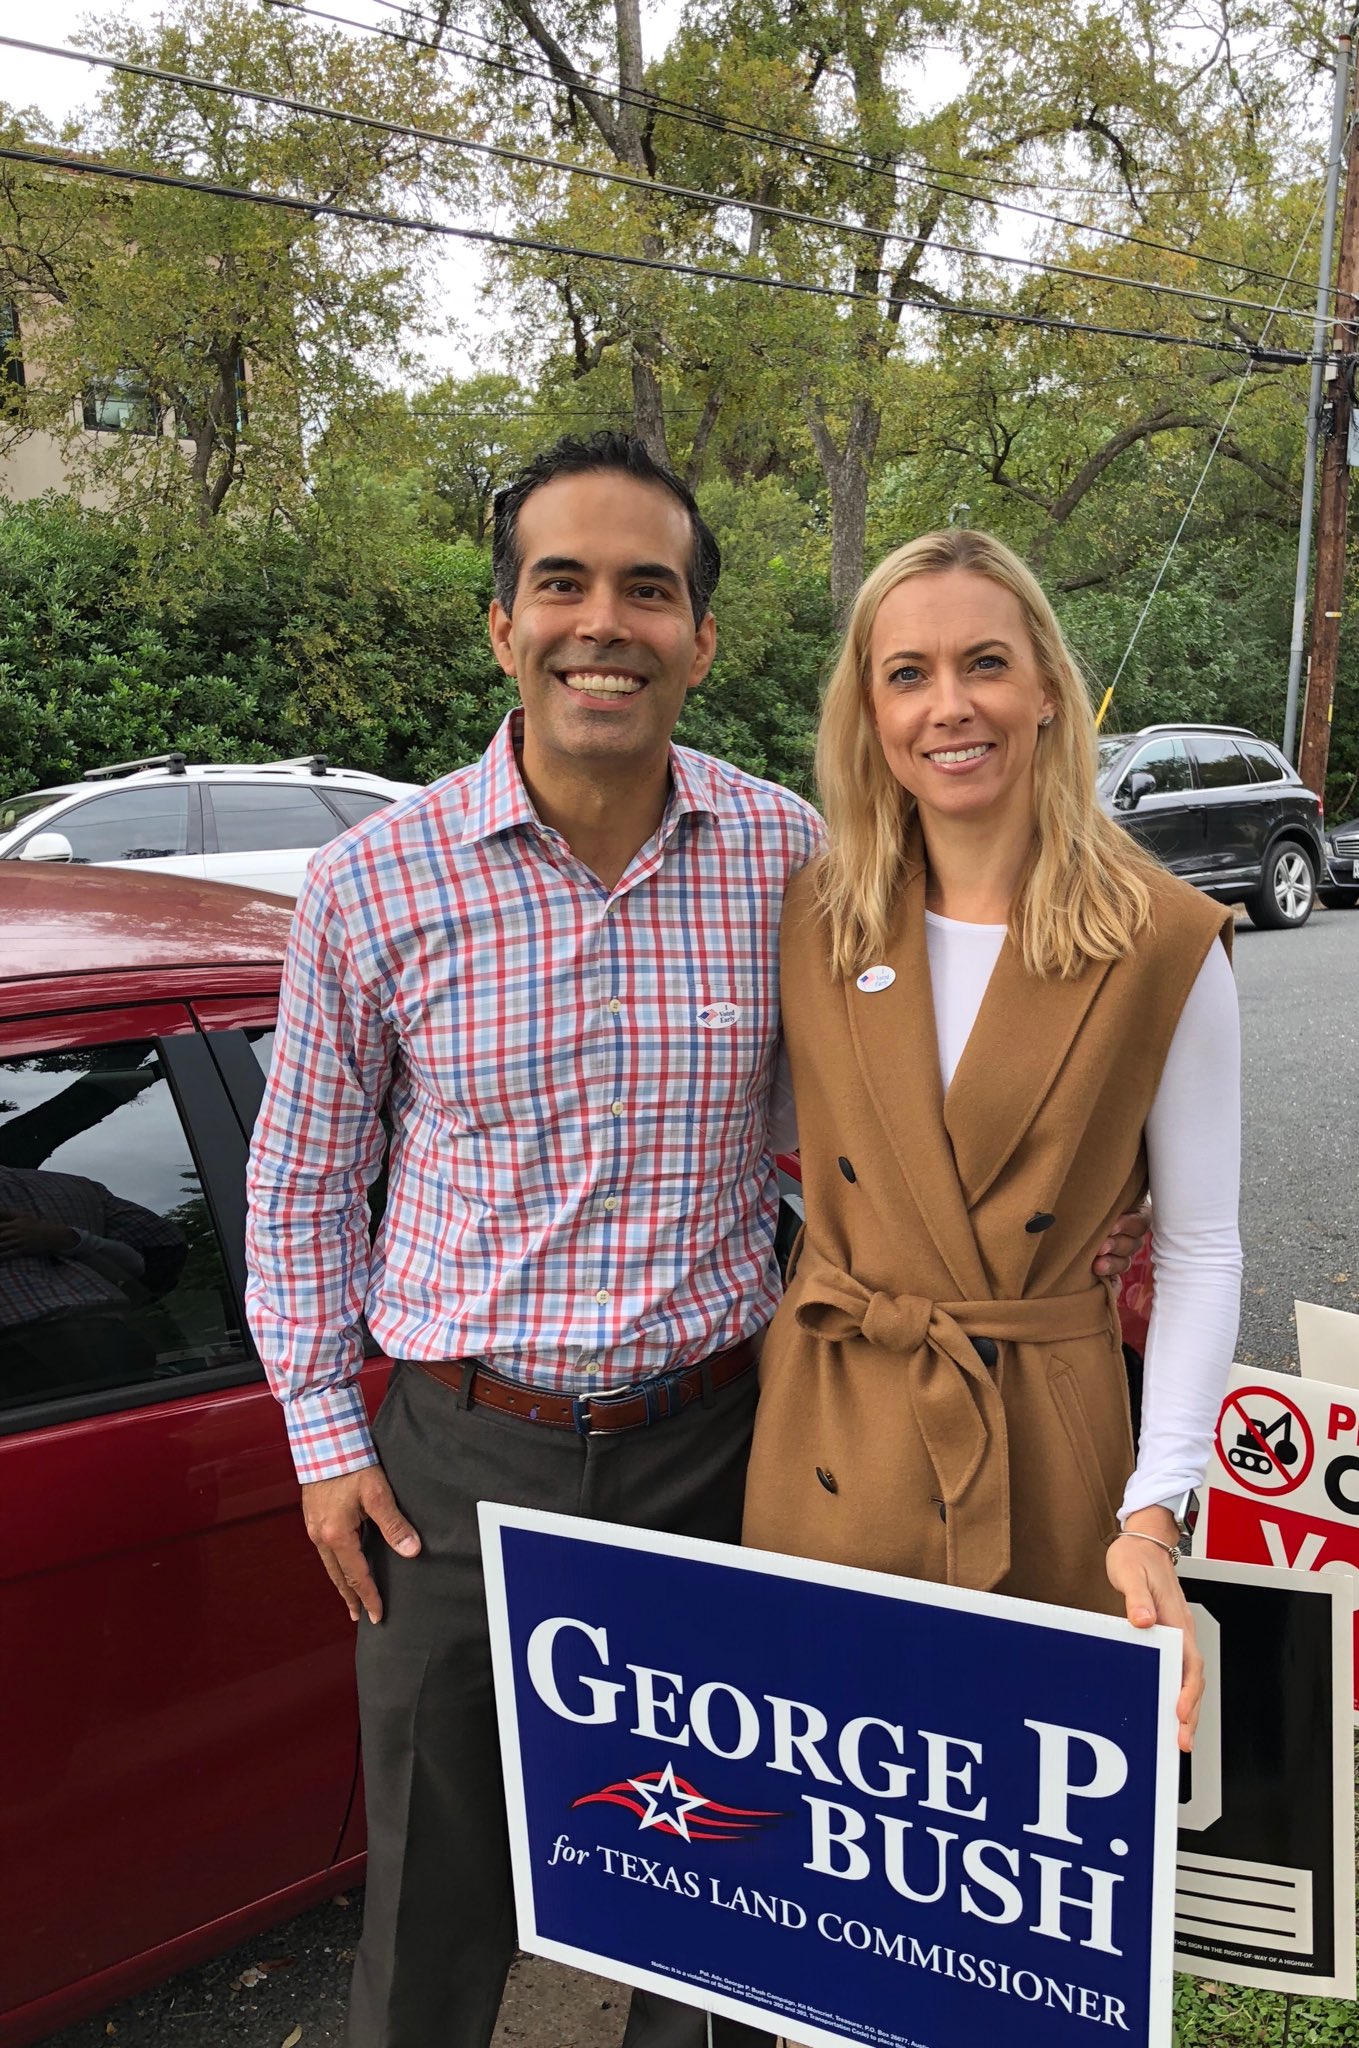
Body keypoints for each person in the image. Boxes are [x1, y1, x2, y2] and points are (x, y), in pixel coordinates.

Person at [243, 437, 1148, 2048]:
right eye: (563, 585)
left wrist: (1075, 1214)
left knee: (735, 1913)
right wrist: (324, 1436)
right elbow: (304, 1183)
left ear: (701, 639)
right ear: (501, 626)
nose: (606, 622)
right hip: (459, 1462)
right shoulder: (369, 886)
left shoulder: (792, 864)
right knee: (434, 1908)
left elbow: (903, 1116)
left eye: (646, 590)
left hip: (730, 1449)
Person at [741, 528, 1242, 1754]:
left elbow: (1202, 1249)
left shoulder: (1163, 941)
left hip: (1049, 1445)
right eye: (908, 673)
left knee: (1021, 1826)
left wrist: (1155, 1512)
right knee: (828, 1818)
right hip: (830, 1429)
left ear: (1050, 694)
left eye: (985, 664)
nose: (948, 705)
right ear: (870, 710)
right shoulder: (812, 915)